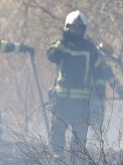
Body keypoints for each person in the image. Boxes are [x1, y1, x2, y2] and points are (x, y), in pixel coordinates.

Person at [46, 10, 116, 154]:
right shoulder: (61, 44)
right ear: (67, 27)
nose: (76, 30)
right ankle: (56, 159)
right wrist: (64, 41)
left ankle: (76, 162)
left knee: (79, 135)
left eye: (79, 27)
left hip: (82, 101)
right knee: (57, 130)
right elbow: (52, 55)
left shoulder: (90, 48)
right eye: (73, 27)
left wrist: (100, 91)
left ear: (83, 29)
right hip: (62, 99)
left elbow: (98, 70)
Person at [91, 40, 123, 130]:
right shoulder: (104, 68)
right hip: (96, 104)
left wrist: (122, 94)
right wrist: (122, 94)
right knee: (95, 130)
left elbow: (114, 83)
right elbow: (115, 84)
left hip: (86, 103)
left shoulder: (88, 64)